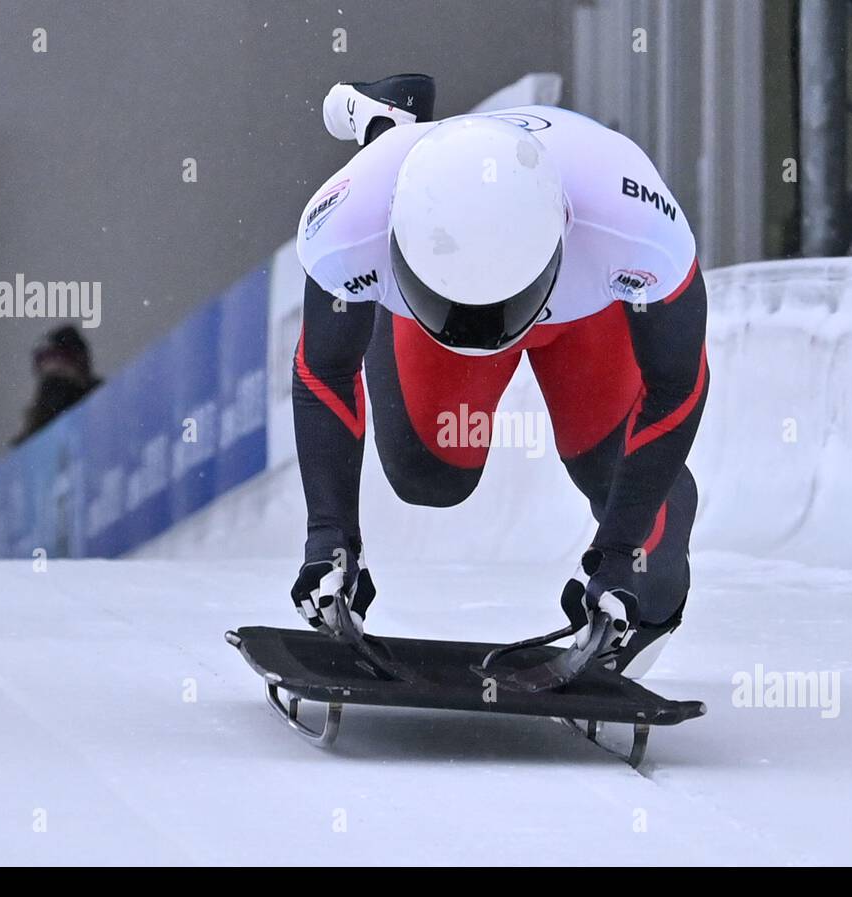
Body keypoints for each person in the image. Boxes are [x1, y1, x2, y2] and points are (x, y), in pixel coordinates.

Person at [291, 77, 708, 681]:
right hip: (456, 298)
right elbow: (324, 371)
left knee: (648, 559)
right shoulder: (346, 226)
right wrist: (331, 543)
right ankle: (390, 132)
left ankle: (396, 136)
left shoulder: (636, 227)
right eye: (458, 307)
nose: (483, 333)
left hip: (587, 311)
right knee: (427, 470)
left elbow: (677, 387)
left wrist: (618, 554)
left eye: (500, 310)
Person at [12, 324, 101, 445]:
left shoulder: (100, 401)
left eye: (58, 358)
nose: (52, 368)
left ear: (79, 360)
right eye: (43, 360)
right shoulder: (38, 416)